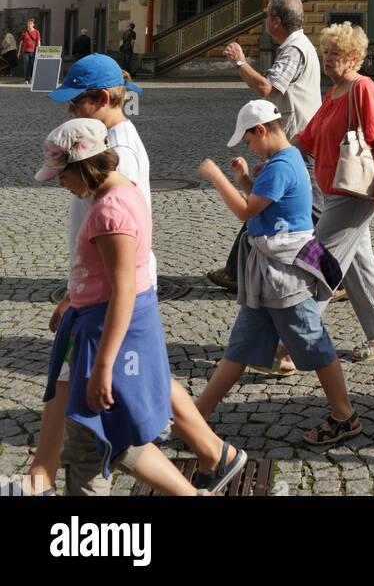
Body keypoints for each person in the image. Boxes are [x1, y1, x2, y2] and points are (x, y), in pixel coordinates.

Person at [5, 56, 247, 497]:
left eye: (75, 102)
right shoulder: (104, 145)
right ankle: (213, 455)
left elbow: (120, 241)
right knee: (127, 391)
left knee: (109, 418)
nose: (69, 110)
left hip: (114, 299)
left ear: (100, 99)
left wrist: (92, 331)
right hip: (99, 297)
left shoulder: (117, 160)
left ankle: (47, 478)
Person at [32, 119, 213, 496]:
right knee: (104, 436)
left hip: (107, 335)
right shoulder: (122, 192)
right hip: (100, 325)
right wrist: (72, 299)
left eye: (61, 176)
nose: (61, 185)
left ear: (80, 166)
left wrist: (102, 367)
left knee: (93, 441)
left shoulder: (108, 212)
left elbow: (123, 290)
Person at [195, 100, 360, 446]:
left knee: (316, 344)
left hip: (282, 278)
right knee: (239, 349)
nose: (249, 146)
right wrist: (243, 179)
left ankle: (344, 416)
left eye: (249, 140)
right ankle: (197, 417)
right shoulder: (289, 159)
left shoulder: (279, 167)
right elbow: (263, 207)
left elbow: (245, 212)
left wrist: (218, 178)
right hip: (270, 277)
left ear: (262, 130)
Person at [294, 22, 374, 362]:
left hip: (354, 196)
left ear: (354, 58)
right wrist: (275, 157)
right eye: (325, 52)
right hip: (333, 192)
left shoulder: (362, 87)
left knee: (317, 264)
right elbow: (308, 138)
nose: (327, 59)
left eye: (336, 54)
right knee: (359, 268)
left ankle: (292, 344)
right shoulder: (335, 91)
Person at [212, 0, 323, 321]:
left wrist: (239, 62)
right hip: (296, 142)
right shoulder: (301, 45)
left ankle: (333, 272)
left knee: (313, 212)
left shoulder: (292, 49)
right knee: (278, 204)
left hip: (297, 143)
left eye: (266, 17)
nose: (264, 21)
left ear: (276, 22)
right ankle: (235, 270)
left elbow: (266, 88)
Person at [19, 17, 41, 84]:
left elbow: (38, 41)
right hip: (25, 51)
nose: (29, 25)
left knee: (33, 65)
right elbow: (21, 42)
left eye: (31, 23)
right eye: (28, 23)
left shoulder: (36, 32)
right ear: (27, 24)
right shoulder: (24, 32)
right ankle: (26, 79)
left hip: (33, 51)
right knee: (27, 65)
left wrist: (39, 50)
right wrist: (19, 51)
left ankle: (33, 78)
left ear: (33, 24)